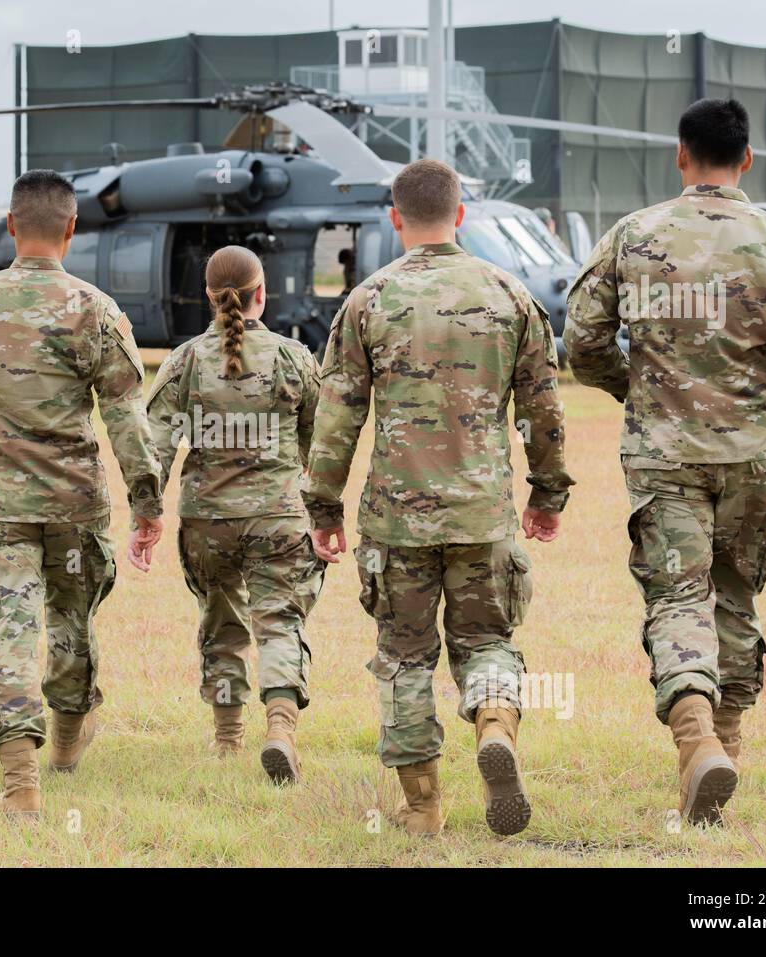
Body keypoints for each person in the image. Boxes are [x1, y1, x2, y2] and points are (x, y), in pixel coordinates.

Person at [565, 98, 766, 825]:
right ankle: (727, 745)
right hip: (751, 453)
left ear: (680, 155)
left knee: (677, 596)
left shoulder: (635, 235)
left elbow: (583, 339)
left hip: (663, 451)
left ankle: (698, 743)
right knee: (736, 594)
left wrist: (640, 389)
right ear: (745, 158)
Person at [304, 159, 572, 837]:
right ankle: (495, 721)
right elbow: (543, 412)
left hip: (397, 523)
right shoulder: (509, 296)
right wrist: (547, 492)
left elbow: (336, 418)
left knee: (403, 656)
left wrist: (323, 507)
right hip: (484, 514)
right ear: (462, 215)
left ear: (395, 219)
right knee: (487, 638)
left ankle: (421, 805)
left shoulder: (369, 300)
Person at [0, 169, 164, 818]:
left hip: (1, 507)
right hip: (76, 507)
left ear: (12, 224)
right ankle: (69, 743)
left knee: (9, 639)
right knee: (72, 628)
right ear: (72, 229)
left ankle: (21, 784)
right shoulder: (96, 310)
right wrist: (147, 503)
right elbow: (127, 418)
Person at [143, 245, 324, 784]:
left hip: (208, 524)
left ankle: (227, 737)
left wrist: (146, 515)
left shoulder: (185, 361)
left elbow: (155, 448)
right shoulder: (294, 358)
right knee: (279, 623)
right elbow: (320, 439)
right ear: (261, 294)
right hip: (279, 519)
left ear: (207, 297)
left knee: (222, 624)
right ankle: (280, 728)